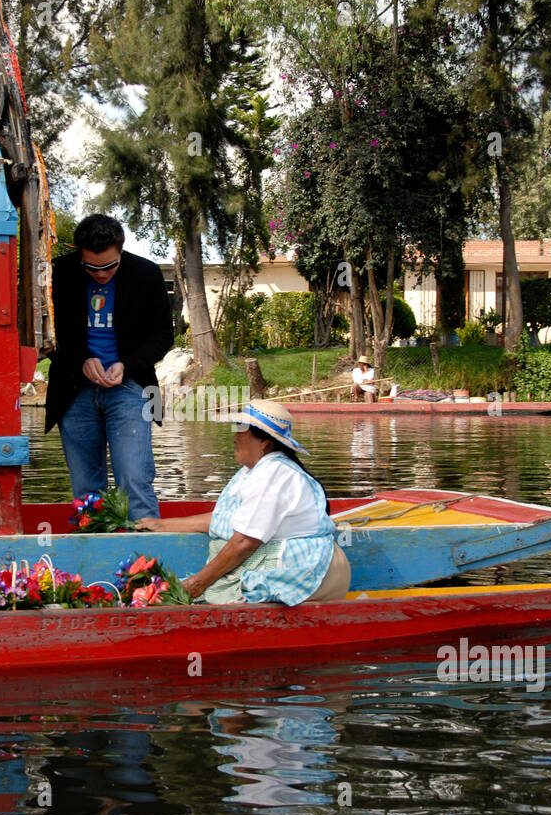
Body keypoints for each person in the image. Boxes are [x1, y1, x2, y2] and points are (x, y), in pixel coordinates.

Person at [135, 399, 350, 605]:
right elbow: (224, 520)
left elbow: (244, 542)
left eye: (241, 431)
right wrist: (161, 524)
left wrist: (195, 584)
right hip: (284, 563)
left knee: (207, 593)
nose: (234, 438)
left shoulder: (274, 474)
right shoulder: (252, 471)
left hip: (310, 574)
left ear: (264, 442)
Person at [45, 213, 174, 520]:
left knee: (135, 480)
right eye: (91, 267)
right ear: (79, 255)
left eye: (109, 266)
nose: (101, 274)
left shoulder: (146, 273)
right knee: (87, 490)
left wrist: (125, 366)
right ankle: (93, 561)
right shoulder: (57, 273)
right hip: (74, 391)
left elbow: (162, 336)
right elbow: (45, 333)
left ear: (121, 250)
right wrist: (80, 361)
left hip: (130, 388)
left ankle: (143, 563)